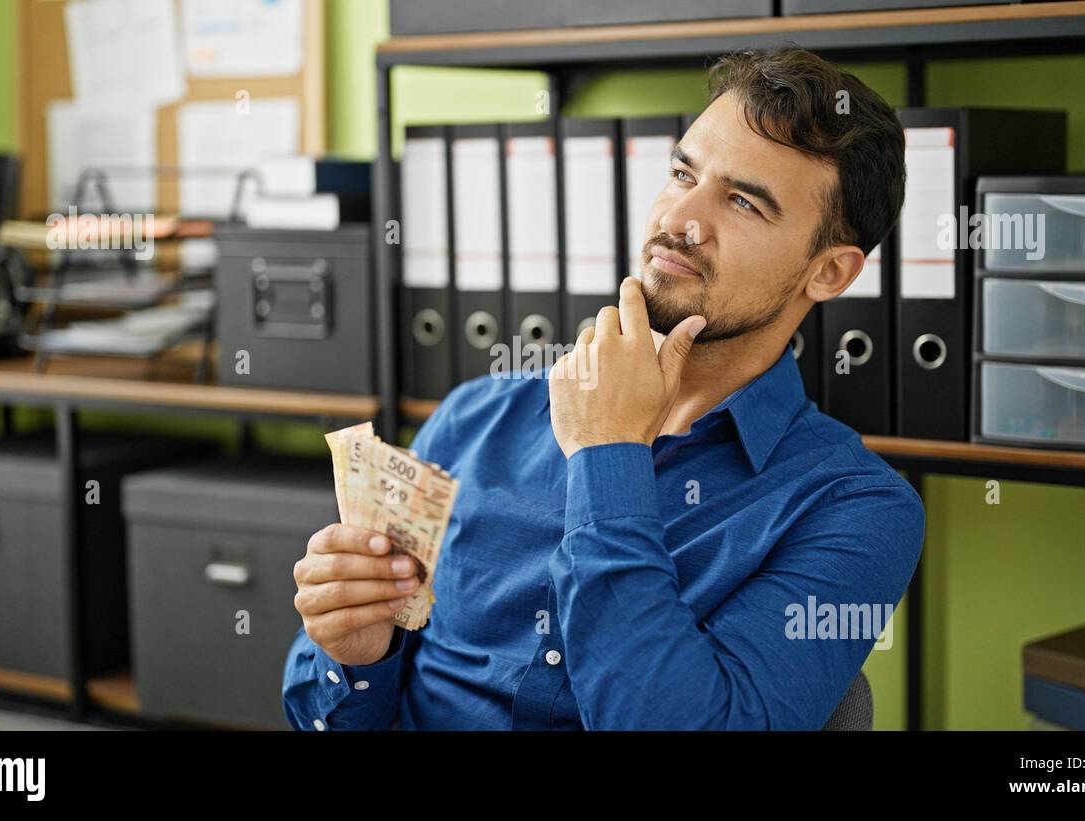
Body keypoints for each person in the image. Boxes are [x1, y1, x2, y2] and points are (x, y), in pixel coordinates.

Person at [283, 46, 921, 730]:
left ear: (828, 273)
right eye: (683, 173)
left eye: (743, 201)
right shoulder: (474, 419)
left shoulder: (858, 509)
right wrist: (355, 657)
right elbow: (325, 711)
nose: (680, 219)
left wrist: (608, 452)